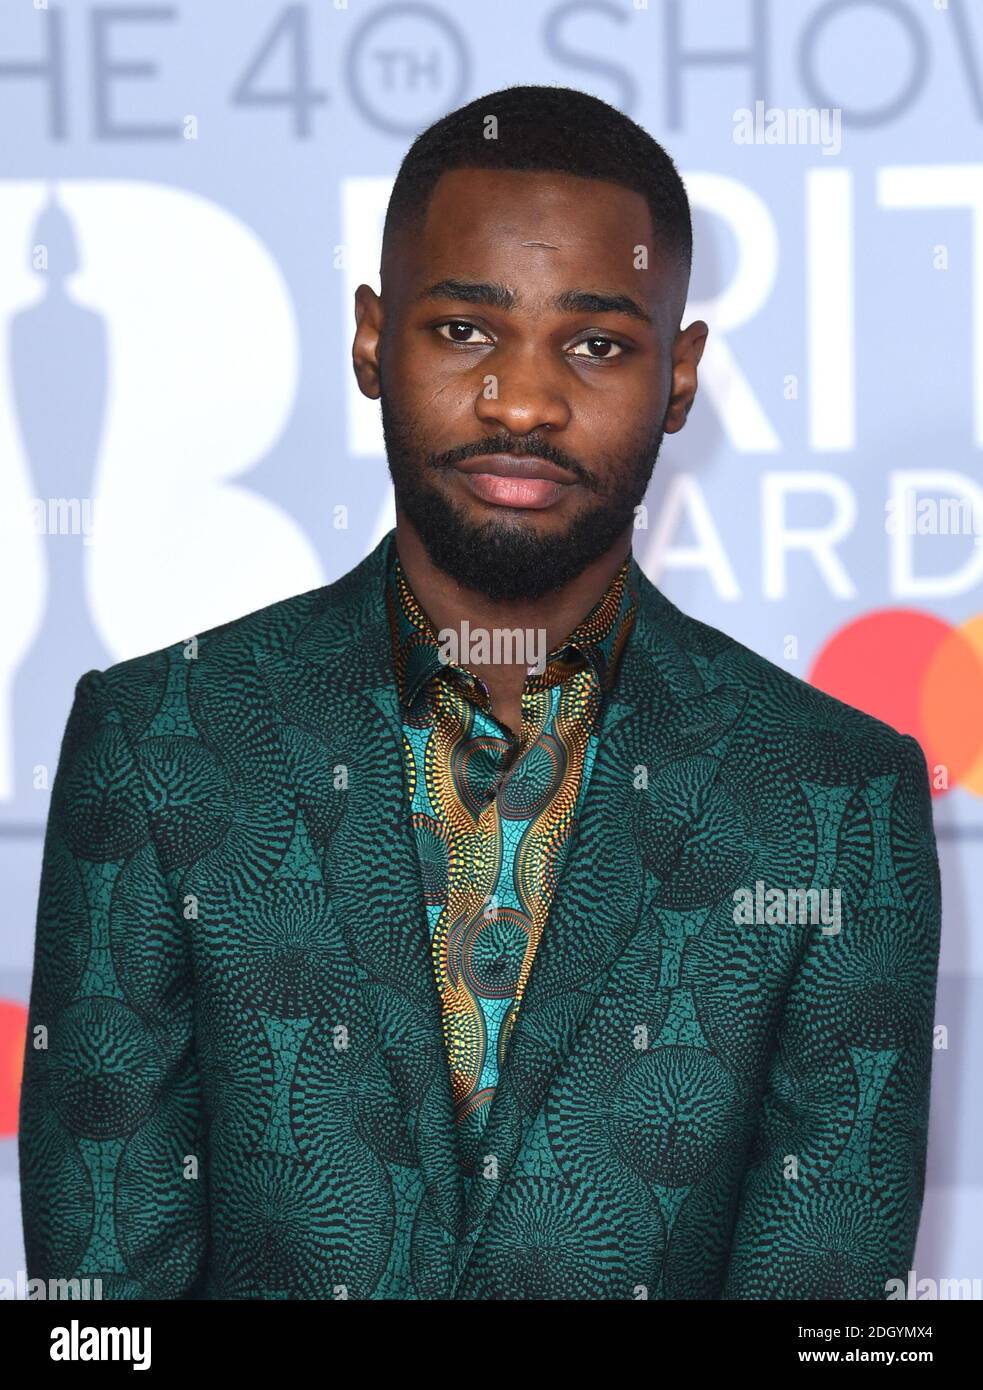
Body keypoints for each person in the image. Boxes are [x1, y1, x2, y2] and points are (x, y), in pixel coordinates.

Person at [19, 84, 942, 1301]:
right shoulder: (158, 742)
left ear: (678, 375)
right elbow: (99, 1314)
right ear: (369, 339)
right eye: (464, 330)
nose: (521, 401)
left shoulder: (838, 800)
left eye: (597, 343)